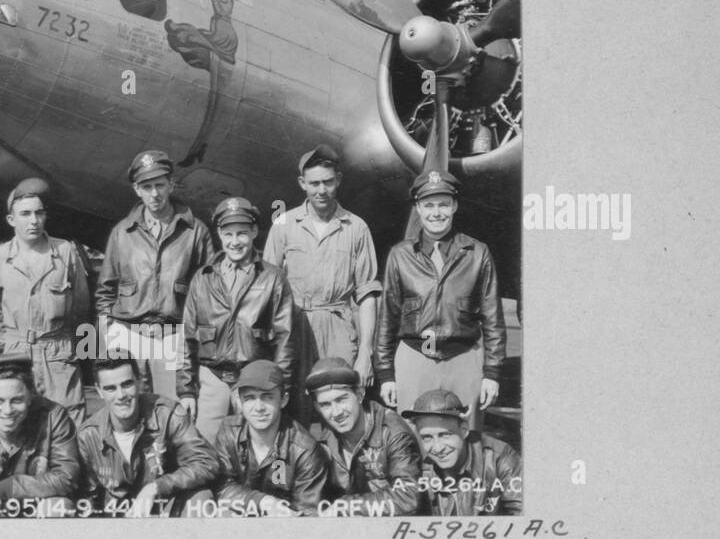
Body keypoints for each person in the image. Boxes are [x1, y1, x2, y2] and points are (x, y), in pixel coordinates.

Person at [376, 170, 507, 430]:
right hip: (415, 358)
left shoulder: (477, 253)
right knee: (411, 440)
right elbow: (387, 319)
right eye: (428, 205)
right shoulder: (400, 255)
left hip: (463, 357)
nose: (436, 213)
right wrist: (385, 374)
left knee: (466, 437)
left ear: (455, 206)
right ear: (418, 208)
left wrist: (492, 373)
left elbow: (493, 318)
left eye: (444, 205)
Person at [263, 144, 381, 423]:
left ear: (338, 180)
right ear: (302, 184)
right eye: (314, 183)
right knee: (294, 404)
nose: (321, 190)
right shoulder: (283, 224)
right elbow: (266, 287)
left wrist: (365, 353)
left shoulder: (356, 227)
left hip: (338, 327)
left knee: (341, 402)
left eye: (328, 182)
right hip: (293, 327)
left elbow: (367, 294)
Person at [95, 150, 215, 398]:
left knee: (174, 410)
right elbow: (106, 289)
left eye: (159, 185)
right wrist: (109, 330)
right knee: (132, 408)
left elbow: (209, 291)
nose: (154, 193)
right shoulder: (122, 233)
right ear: (137, 190)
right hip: (128, 334)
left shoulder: (195, 232)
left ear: (171, 185)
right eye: (146, 186)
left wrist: (193, 336)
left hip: (173, 335)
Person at [178, 197, 294, 441]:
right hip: (213, 376)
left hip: (255, 376)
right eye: (228, 234)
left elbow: (285, 338)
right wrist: (186, 389)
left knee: (255, 447)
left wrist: (279, 385)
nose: (235, 242)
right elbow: (187, 336)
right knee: (205, 448)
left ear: (254, 232)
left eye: (242, 233)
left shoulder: (272, 277)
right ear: (219, 233)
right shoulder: (203, 277)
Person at [0, 177, 91, 423]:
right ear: (11, 220)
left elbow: (82, 308)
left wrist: (73, 348)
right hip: (16, 354)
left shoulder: (65, 252)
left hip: (58, 354)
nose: (33, 220)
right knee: (19, 424)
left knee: (70, 424)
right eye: (25, 214)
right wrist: (12, 339)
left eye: (39, 213)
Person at [77, 358, 219, 517]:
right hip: (117, 525)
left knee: (200, 500)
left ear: (138, 382)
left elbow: (206, 461)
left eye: (127, 384)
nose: (121, 395)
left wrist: (157, 487)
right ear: (99, 390)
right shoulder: (88, 435)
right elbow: (86, 499)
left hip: (166, 515)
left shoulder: (167, 414)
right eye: (110, 388)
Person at [0, 353, 80, 517]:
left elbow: (66, 477)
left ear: (30, 396)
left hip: (39, 515)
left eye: (17, 401)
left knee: (58, 508)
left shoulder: (53, 418)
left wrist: (8, 488)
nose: (7, 411)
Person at [304, 357, 421, 516]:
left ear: (359, 394)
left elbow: (407, 498)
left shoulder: (393, 433)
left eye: (341, 399)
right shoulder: (318, 438)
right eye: (326, 404)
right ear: (317, 407)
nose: (336, 412)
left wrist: (346, 506)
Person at [212, 360, 328, 516]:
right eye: (250, 398)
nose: (258, 408)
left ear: (284, 399)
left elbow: (308, 513)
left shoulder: (305, 449)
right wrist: (263, 502)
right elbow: (221, 487)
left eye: (267, 397)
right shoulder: (229, 431)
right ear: (239, 402)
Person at [403, 389, 523, 515]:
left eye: (445, 435)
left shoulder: (498, 457)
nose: (437, 448)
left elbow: (524, 517)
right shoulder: (420, 470)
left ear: (464, 430)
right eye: (427, 438)